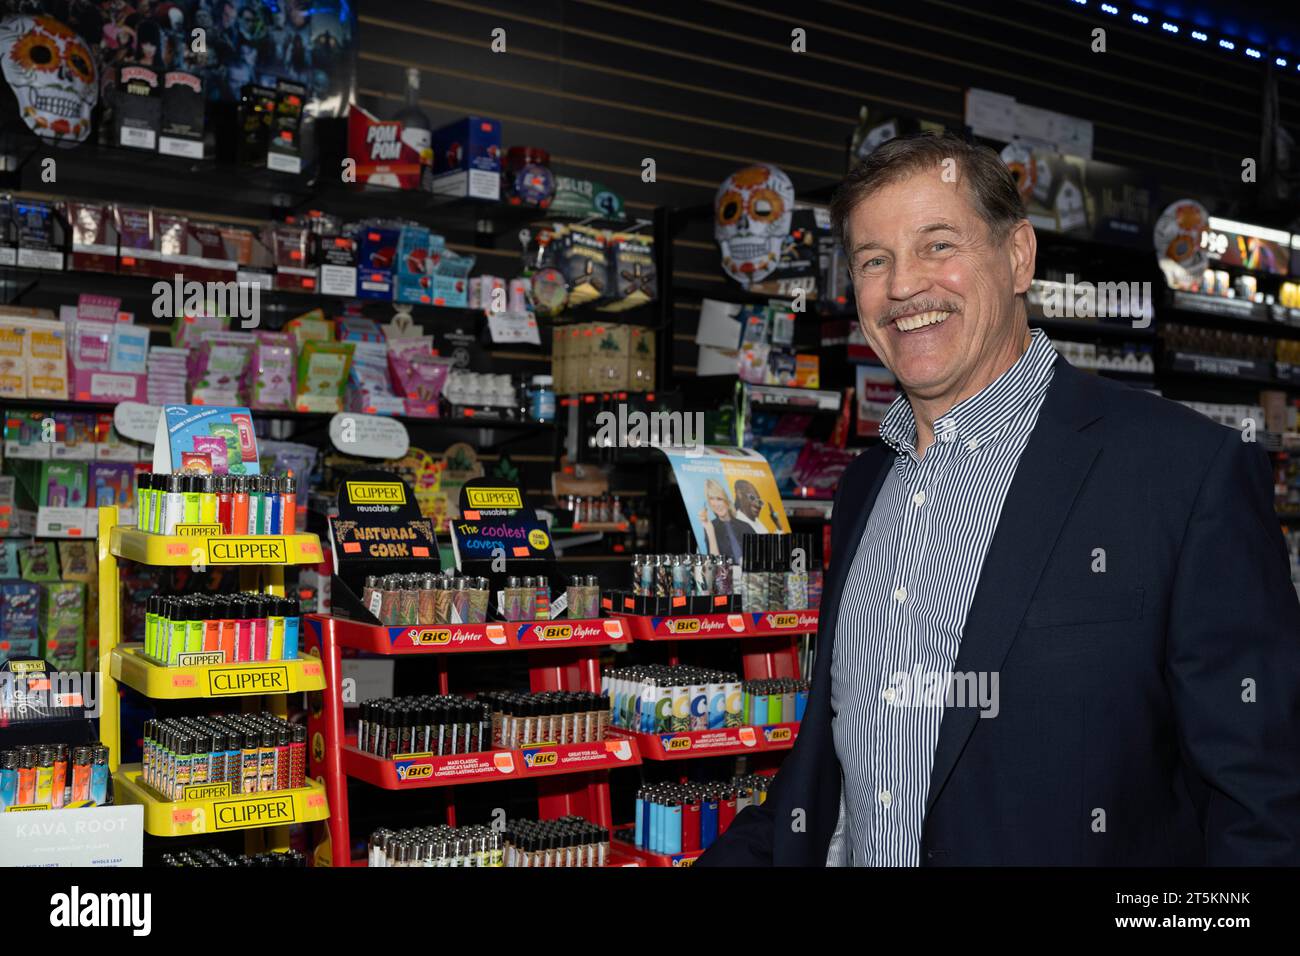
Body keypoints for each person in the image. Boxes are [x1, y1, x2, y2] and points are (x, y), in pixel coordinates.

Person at [698, 131, 1300, 867]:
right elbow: (828, 777)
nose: (903, 287)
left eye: (938, 245)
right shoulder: (865, 485)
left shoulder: (1184, 471)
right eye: (874, 260)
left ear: (1018, 256)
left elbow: (1263, 806)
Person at [698, 478, 744, 564]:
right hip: (726, 575)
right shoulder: (710, 527)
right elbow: (715, 566)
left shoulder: (745, 526)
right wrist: (710, 529)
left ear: (726, 499)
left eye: (719, 498)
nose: (716, 504)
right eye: (712, 499)